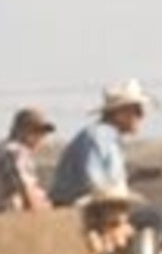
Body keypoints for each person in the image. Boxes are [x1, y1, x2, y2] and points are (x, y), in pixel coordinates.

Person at [48, 79, 152, 208]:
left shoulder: (109, 139)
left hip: (95, 205)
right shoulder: (99, 136)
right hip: (79, 208)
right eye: (137, 111)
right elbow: (95, 183)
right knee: (151, 217)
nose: (142, 116)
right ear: (119, 113)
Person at [0, 107, 57, 215]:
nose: (41, 138)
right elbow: (32, 202)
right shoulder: (17, 152)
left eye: (42, 133)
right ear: (25, 132)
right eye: (37, 132)